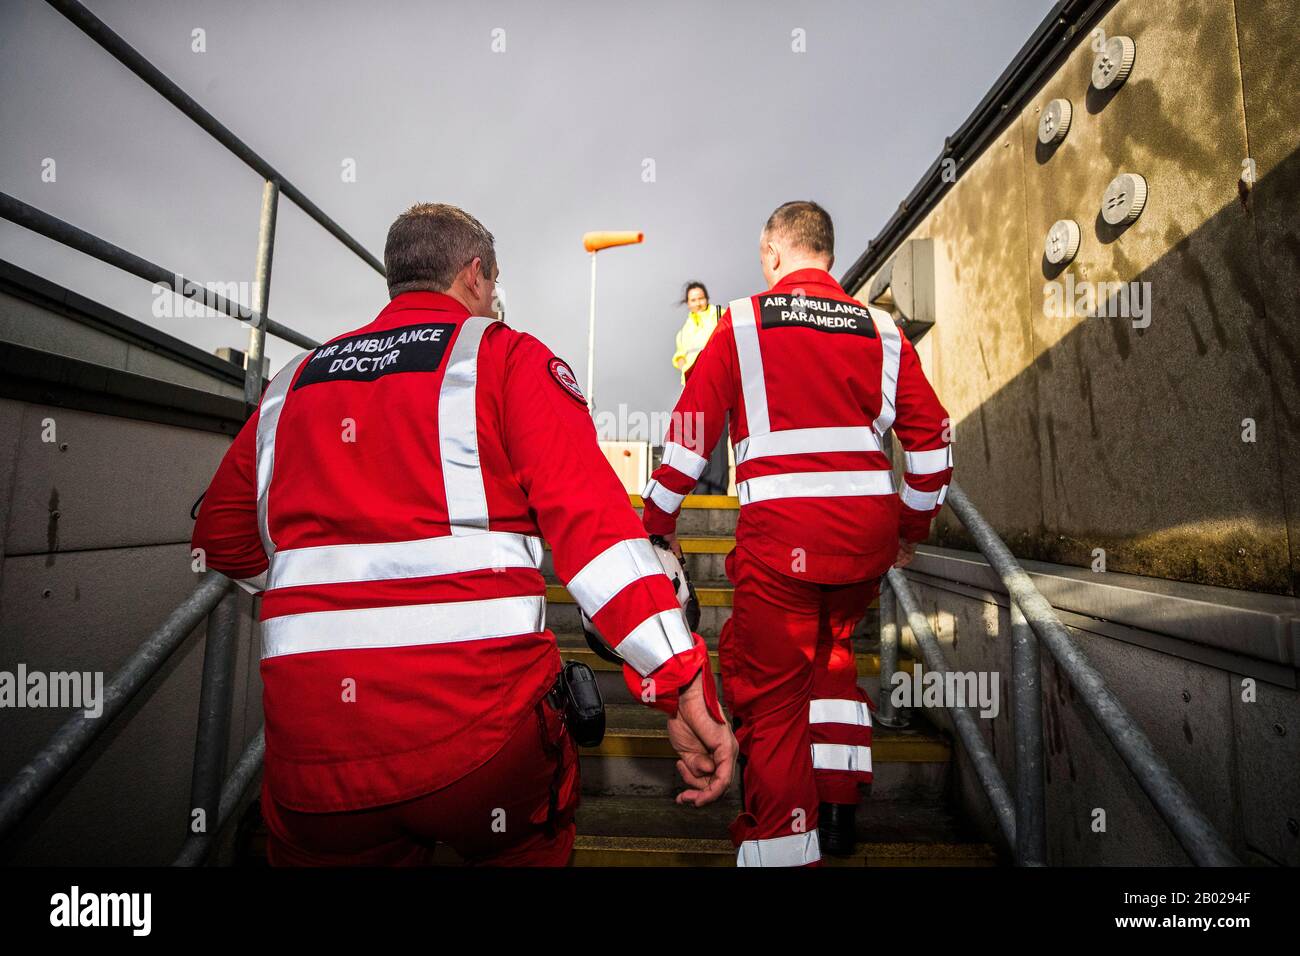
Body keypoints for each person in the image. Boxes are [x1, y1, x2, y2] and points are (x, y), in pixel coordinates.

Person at [191, 202, 737, 866]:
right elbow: (599, 540)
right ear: (474, 276)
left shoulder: (290, 385)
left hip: (316, 753)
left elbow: (220, 535)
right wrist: (679, 682)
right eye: (493, 283)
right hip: (482, 739)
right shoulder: (505, 357)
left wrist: (324, 589)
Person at [641, 201, 953, 866]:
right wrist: (909, 525)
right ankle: (838, 809)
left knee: (772, 696)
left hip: (781, 545)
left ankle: (783, 848)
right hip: (863, 545)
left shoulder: (741, 322)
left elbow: (691, 439)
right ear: (829, 258)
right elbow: (931, 445)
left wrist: (658, 524)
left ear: (773, 254)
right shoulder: (883, 330)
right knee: (834, 656)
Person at [671, 281, 729, 494]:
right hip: (694, 391)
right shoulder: (684, 330)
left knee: (718, 443)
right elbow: (680, 355)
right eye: (693, 300)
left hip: (717, 388)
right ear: (687, 303)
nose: (698, 303)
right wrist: (682, 365)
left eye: (701, 298)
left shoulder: (719, 314)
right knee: (697, 445)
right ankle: (700, 492)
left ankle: (718, 492)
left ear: (707, 298)